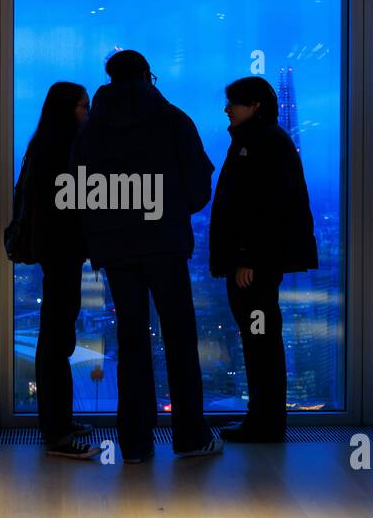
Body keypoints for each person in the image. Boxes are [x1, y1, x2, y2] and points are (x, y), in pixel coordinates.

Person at [72, 49, 222, 462]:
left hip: (116, 249)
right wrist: (170, 210)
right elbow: (198, 184)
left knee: (132, 341)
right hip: (165, 243)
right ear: (146, 75)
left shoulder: (92, 131)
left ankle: (135, 443)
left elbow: (79, 188)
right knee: (179, 337)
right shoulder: (173, 119)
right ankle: (191, 436)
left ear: (109, 78)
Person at [208, 76, 318, 442]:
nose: (227, 109)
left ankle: (265, 421)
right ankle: (264, 419)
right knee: (260, 339)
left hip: (253, 268)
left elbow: (266, 209)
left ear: (254, 106)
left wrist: (247, 258)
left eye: (234, 103)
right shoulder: (262, 140)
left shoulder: (263, 143)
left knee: (260, 339)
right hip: (255, 264)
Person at [12, 82, 99, 459]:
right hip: (62, 251)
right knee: (56, 340)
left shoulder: (43, 144)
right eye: (83, 107)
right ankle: (57, 432)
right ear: (69, 110)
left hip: (55, 252)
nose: (88, 113)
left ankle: (57, 424)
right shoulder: (63, 148)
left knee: (56, 337)